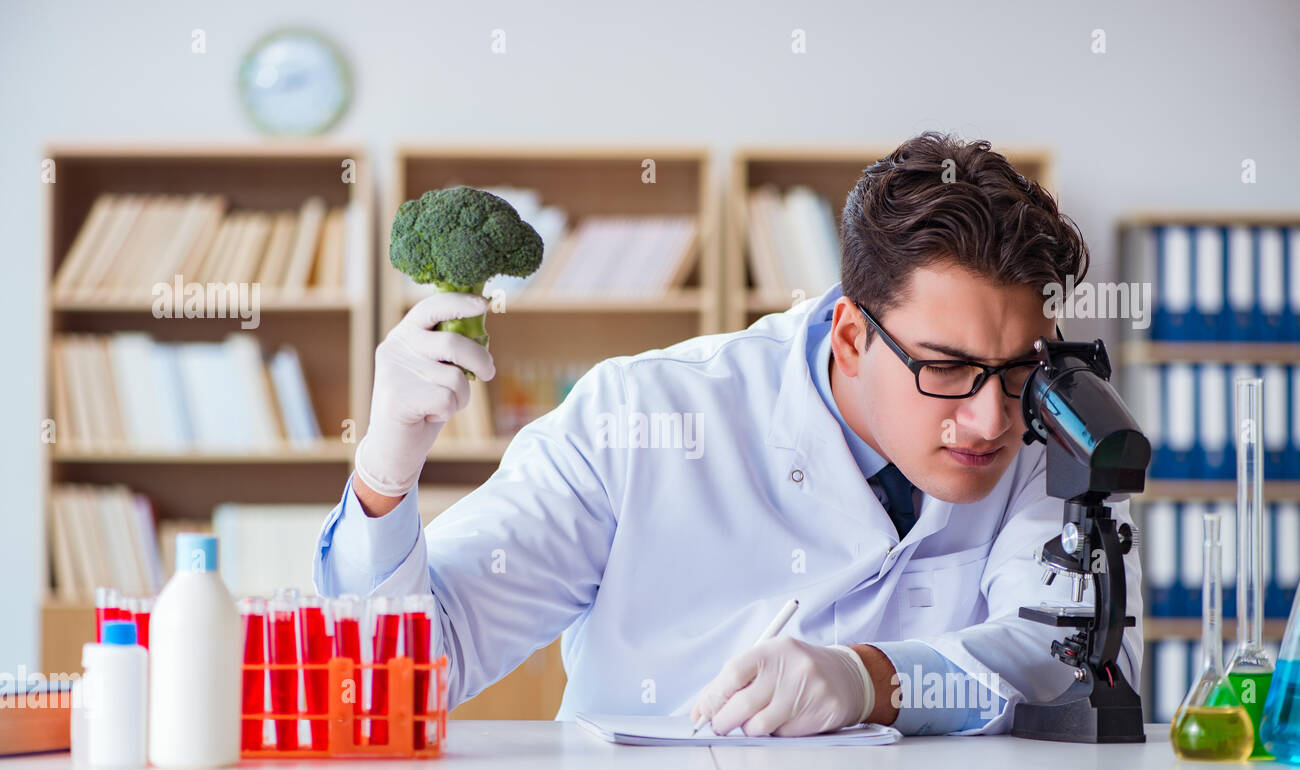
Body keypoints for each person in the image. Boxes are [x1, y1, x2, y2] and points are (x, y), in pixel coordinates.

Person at [313, 131, 1143, 737]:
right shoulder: (639, 419)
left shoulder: (1039, 429)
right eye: (947, 368)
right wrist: (385, 472)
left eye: (1017, 368)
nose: (992, 417)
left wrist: (872, 680)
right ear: (851, 335)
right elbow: (407, 673)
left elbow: (1072, 664)